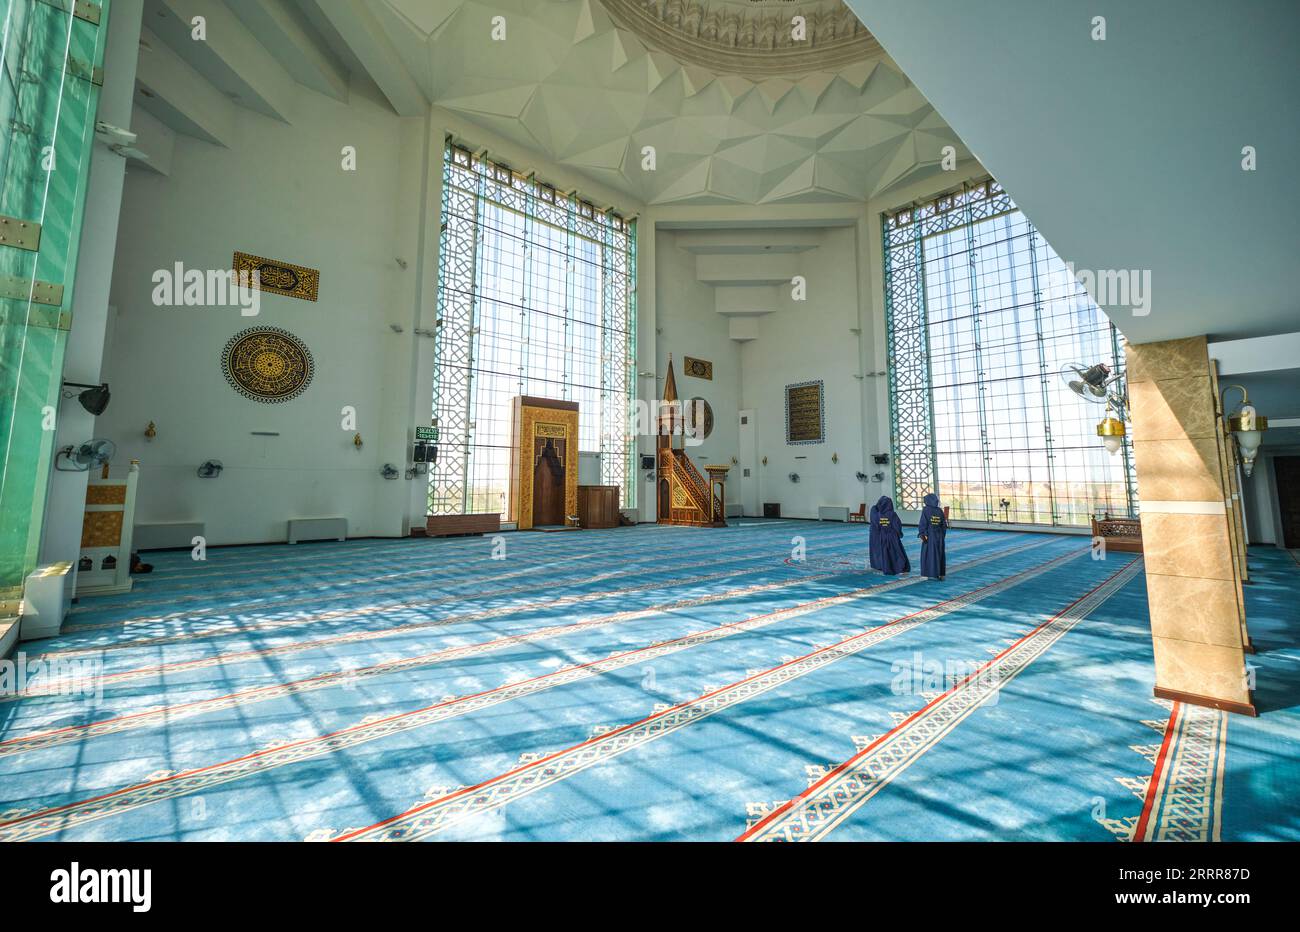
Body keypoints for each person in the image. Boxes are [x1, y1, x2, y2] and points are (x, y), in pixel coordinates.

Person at [875, 495, 910, 576]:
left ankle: (888, 568)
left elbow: (877, 525)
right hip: (892, 536)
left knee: (886, 552)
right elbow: (897, 525)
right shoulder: (892, 514)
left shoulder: (879, 514)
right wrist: (899, 533)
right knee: (896, 551)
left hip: (883, 536)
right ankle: (900, 567)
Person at [918, 493, 948, 580]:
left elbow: (923, 523)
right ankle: (940, 574)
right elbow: (943, 525)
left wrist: (922, 534)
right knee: (939, 554)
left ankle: (926, 574)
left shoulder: (926, 510)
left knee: (927, 554)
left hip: (930, 536)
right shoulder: (939, 511)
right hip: (939, 536)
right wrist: (942, 536)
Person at [868, 496, 887, 570]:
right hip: (875, 533)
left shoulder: (885, 510)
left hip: (883, 532)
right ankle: (878, 564)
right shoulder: (874, 509)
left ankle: (884, 564)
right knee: (876, 549)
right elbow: (877, 521)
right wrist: (887, 522)